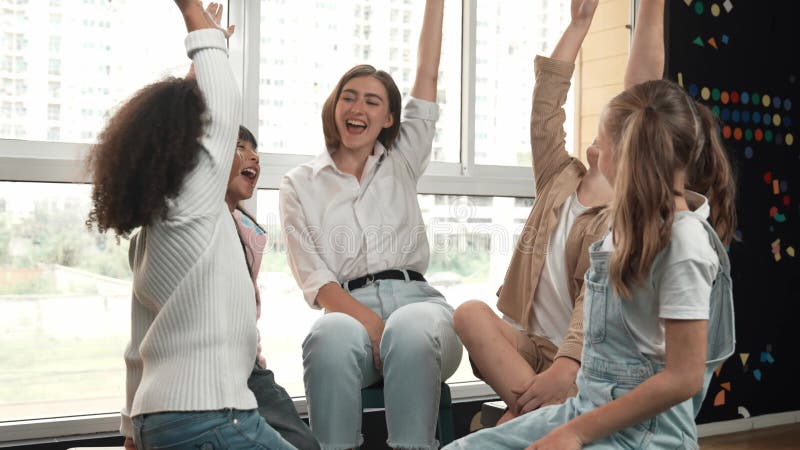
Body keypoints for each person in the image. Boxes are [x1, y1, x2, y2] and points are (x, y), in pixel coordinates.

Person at [443, 37, 738, 450]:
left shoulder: (682, 242)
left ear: (625, 153)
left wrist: (574, 432)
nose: (593, 150)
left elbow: (685, 378)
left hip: (642, 434)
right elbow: (636, 91)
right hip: (586, 409)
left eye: (601, 142)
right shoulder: (631, 221)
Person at [87, 1, 295, 449]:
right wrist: (199, 25)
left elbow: (138, 346)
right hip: (213, 418)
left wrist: (131, 430)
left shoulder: (153, 232)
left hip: (158, 420)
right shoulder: (195, 205)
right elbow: (223, 106)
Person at [452, 0, 666, 424]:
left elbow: (595, 303)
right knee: (468, 313)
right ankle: (544, 417)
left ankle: (521, 419)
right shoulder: (559, 177)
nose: (604, 129)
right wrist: (579, 24)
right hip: (530, 349)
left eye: (616, 129)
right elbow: (545, 105)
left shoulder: (625, 215)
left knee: (509, 428)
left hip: (584, 363)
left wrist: (567, 365)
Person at [278, 1, 463, 449]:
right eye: (349, 96)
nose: (357, 107)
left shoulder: (402, 161)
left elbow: (427, 76)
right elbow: (317, 281)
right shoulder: (299, 184)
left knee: (410, 329)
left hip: (419, 305)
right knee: (327, 337)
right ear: (335, 106)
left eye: (372, 101)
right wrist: (374, 327)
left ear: (389, 119)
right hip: (348, 310)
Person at [227, 125, 321, 450]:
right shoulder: (189, 228)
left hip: (248, 369)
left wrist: (251, 353)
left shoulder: (246, 234)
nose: (253, 156)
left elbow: (245, 312)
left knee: (304, 443)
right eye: (240, 147)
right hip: (210, 374)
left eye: (255, 150)